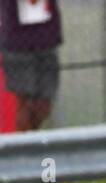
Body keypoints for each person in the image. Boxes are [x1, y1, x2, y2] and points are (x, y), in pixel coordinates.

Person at [0, 0, 61, 132]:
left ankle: (30, 141)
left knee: (43, 107)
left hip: (46, 40)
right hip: (17, 44)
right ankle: (24, 147)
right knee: (24, 103)